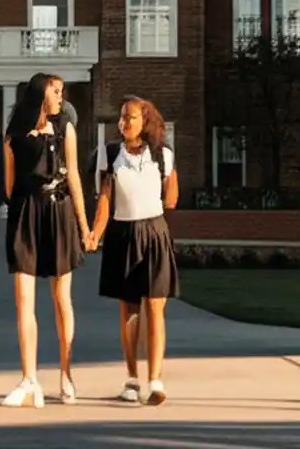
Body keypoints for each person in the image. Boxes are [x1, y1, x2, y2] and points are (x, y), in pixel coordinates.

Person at [1, 72, 90, 408]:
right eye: (56, 91)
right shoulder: (13, 135)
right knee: (24, 300)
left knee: (60, 299)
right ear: (41, 94)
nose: (60, 97)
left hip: (59, 212)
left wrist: (83, 226)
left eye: (62, 91)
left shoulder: (65, 127)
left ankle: (66, 376)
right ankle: (29, 380)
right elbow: (9, 188)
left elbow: (76, 177)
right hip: (25, 215)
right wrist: (25, 205)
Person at [87, 96, 179, 406]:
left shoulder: (163, 154)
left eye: (131, 117)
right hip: (122, 233)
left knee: (155, 308)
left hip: (154, 232)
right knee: (130, 312)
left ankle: (155, 381)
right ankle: (131, 379)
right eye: (122, 117)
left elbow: (172, 196)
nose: (124, 122)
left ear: (145, 121)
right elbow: (104, 199)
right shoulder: (110, 153)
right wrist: (94, 233)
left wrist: (164, 196)